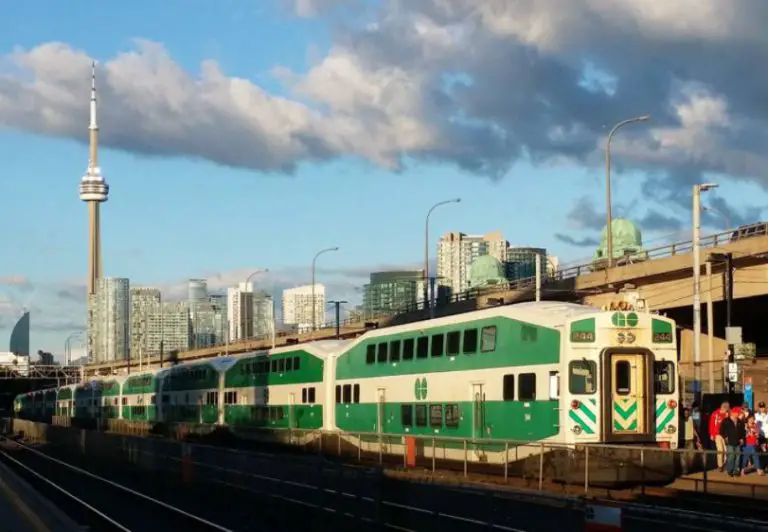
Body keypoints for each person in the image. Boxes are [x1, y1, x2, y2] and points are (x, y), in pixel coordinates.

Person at [720, 407, 745, 477]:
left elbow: (743, 432)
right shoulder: (726, 421)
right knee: (731, 456)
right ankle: (729, 470)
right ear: (734, 413)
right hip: (730, 442)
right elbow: (721, 431)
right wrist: (725, 437)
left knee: (737, 456)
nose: (739, 414)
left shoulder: (740, 421)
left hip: (738, 442)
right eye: (738, 413)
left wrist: (742, 438)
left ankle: (736, 471)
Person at [709, 402, 730, 471]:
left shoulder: (728, 414)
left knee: (726, 450)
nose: (726, 411)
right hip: (717, 434)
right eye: (725, 409)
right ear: (722, 408)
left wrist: (727, 417)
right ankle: (720, 465)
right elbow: (711, 424)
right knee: (720, 449)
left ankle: (724, 463)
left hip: (725, 435)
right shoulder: (715, 414)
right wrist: (711, 434)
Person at [681, 407, 701, 474]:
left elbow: (693, 428)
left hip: (690, 439)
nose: (686, 414)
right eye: (685, 413)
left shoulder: (691, 419)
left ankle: (689, 468)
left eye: (687, 413)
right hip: (683, 440)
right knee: (683, 456)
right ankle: (685, 470)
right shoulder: (681, 420)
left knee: (691, 455)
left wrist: (697, 436)